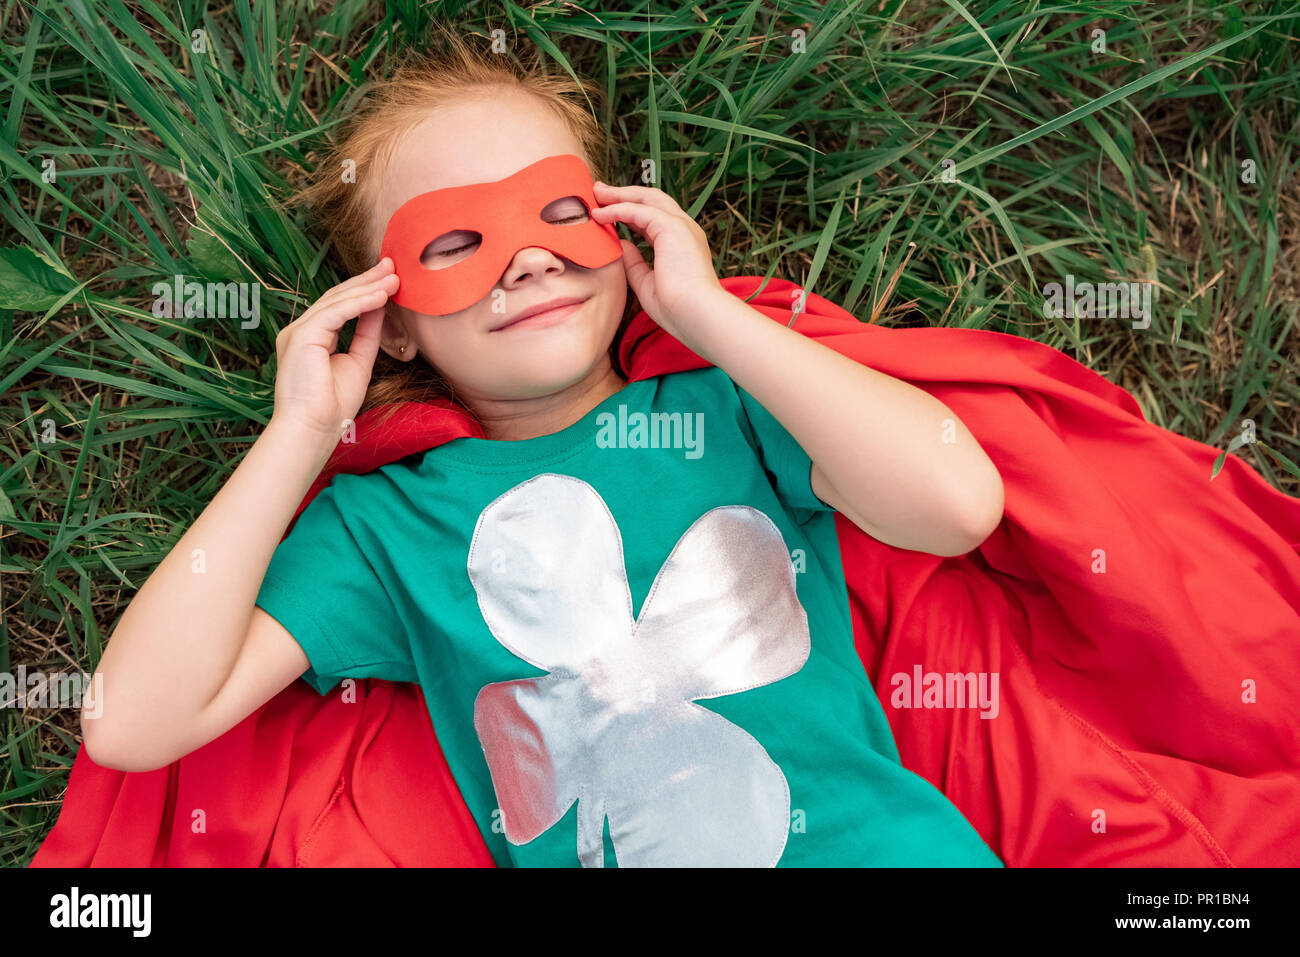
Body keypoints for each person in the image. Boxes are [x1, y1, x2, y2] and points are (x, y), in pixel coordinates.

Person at [80, 31, 1004, 867]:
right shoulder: (384, 526)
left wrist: (708, 314)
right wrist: (298, 435)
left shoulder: (732, 404)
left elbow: (957, 505)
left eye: (559, 211)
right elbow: (130, 724)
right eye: (453, 243)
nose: (526, 259)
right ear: (390, 321)